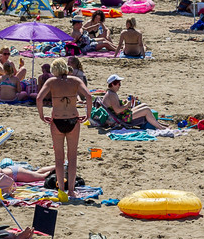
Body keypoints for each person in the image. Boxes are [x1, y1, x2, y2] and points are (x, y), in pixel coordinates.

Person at [34, 59, 94, 202]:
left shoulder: (51, 82)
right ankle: (71, 190)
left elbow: (38, 98)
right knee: (72, 157)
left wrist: (42, 115)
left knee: (59, 158)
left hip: (57, 120)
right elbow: (89, 96)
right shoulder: (75, 80)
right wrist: (88, 114)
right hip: (73, 119)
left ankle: (61, 190)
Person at [101, 74, 170, 130]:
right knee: (146, 110)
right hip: (122, 118)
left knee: (144, 105)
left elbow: (116, 107)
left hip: (121, 116)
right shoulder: (111, 95)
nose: (119, 86)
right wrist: (127, 105)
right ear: (113, 84)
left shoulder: (110, 93)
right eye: (118, 83)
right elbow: (117, 111)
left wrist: (125, 103)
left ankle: (159, 124)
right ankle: (160, 127)